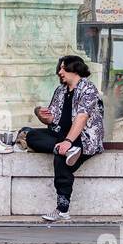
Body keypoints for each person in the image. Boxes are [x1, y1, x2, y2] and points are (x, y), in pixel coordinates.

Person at [41, 55, 105, 222]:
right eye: (60, 68)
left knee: (61, 159)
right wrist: (41, 114)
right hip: (61, 136)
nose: (60, 72)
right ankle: (64, 149)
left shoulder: (88, 89)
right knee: (28, 134)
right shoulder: (60, 90)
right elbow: (51, 119)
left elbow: (82, 117)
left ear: (74, 69)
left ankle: (62, 209)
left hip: (82, 138)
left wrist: (68, 142)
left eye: (63, 68)